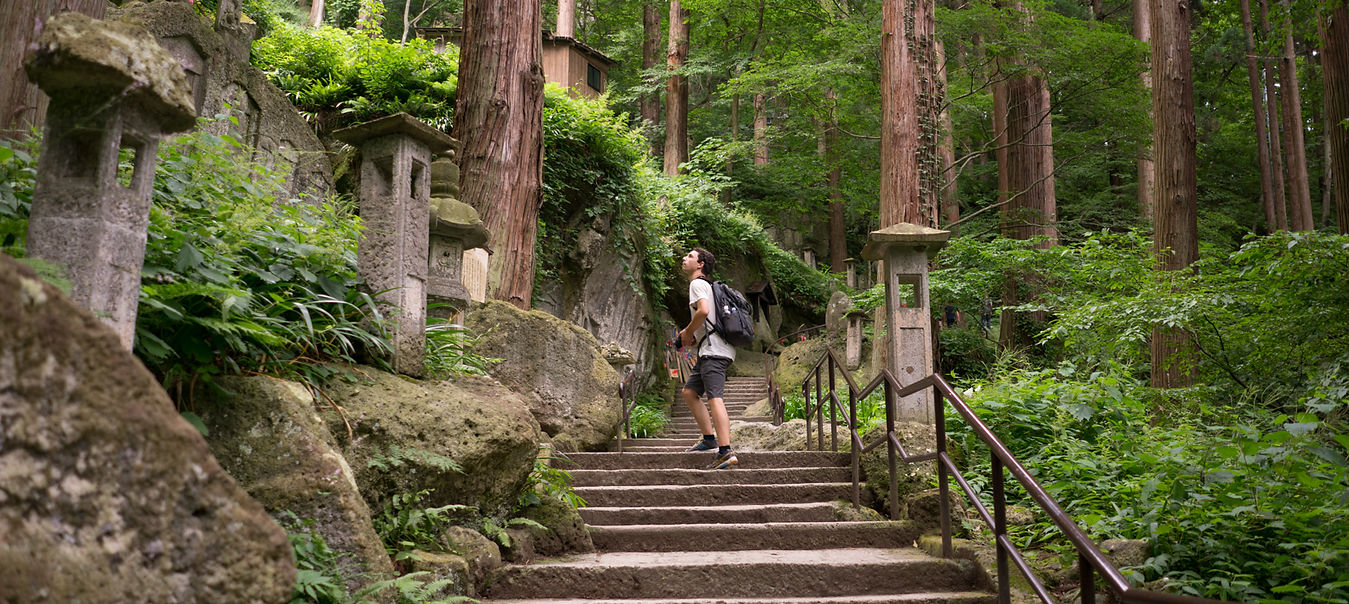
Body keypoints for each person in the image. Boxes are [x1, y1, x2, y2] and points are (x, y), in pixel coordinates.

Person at [678, 247, 738, 470]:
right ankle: (709, 438)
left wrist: (687, 333)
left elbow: (702, 311)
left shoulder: (697, 284)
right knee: (689, 392)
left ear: (700, 264)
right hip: (711, 350)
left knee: (715, 397)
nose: (685, 259)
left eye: (690, 256)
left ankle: (725, 451)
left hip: (714, 352)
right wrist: (693, 334)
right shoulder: (708, 286)